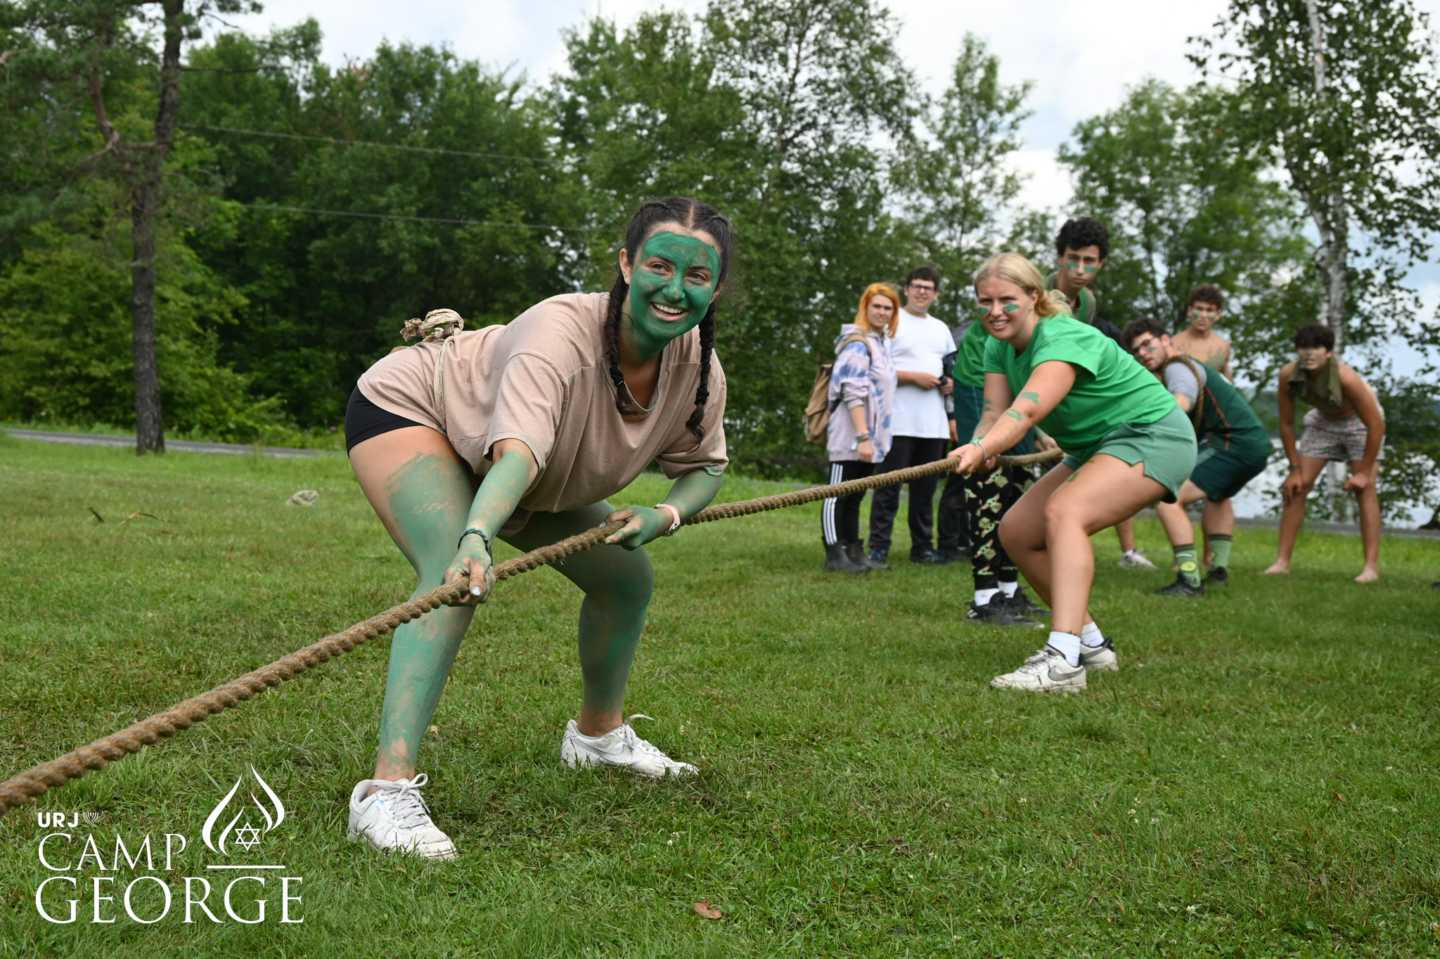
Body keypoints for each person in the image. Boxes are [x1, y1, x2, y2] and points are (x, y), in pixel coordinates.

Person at [342, 197, 732, 859]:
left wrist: (663, 514)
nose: (674, 288)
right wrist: (476, 539)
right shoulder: (560, 335)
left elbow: (706, 468)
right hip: (416, 409)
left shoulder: (697, 368)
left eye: (695, 276)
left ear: (714, 287)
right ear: (626, 263)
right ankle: (385, 791)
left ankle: (597, 736)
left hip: (522, 469)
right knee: (451, 571)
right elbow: (516, 453)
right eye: (660, 266)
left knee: (625, 577)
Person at [950, 252, 1196, 694]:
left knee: (1066, 512)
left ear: (1033, 297)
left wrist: (987, 444)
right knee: (1017, 532)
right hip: (1095, 447)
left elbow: (1028, 410)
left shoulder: (1061, 336)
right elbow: (994, 411)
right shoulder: (996, 344)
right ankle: (1092, 644)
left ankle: (1063, 661)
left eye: (1006, 300)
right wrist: (980, 445)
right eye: (983, 301)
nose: (993, 312)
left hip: (1152, 435)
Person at [1123, 318, 1271, 595]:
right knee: (1218, 496)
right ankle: (1218, 571)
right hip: (1254, 444)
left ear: (1166, 340)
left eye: (1147, 344)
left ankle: (1188, 580)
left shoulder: (1177, 367)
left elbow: (1182, 401)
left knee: (1168, 497)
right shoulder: (1184, 365)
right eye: (1137, 350)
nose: (1143, 353)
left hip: (1232, 444)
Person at [1048, 217, 1158, 572]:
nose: (1080, 269)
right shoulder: (1041, 300)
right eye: (1073, 258)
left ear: (1102, 264)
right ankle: (994, 591)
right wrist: (1038, 429)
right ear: (1059, 257)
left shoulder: (1088, 307)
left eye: (1089, 261)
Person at [950, 300, 1051, 626]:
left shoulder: (1038, 332)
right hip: (982, 394)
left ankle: (1008, 590)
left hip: (1016, 398)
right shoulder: (987, 340)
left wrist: (1039, 429)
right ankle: (984, 597)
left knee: (1016, 498)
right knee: (989, 499)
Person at [1264, 324, 1386, 583]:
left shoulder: (1346, 378)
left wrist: (1363, 472)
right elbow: (1286, 424)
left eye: (1316, 348)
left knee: (1366, 489)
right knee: (1297, 487)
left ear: (1328, 352)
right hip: (1323, 421)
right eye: (1304, 347)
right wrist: (1294, 469)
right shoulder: (1288, 374)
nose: (1309, 353)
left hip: (1360, 424)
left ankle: (1370, 569)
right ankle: (1281, 562)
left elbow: (1376, 424)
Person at [866, 266, 957, 568]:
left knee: (925, 491)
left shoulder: (942, 329)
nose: (921, 292)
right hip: (898, 420)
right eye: (916, 286)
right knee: (888, 487)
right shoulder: (892, 320)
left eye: (928, 288)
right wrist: (912, 377)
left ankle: (922, 547)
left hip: (933, 424)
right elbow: (877, 366)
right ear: (907, 289)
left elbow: (949, 367)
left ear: (936, 294)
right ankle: (878, 547)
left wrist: (948, 383)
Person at [821, 283, 899, 572]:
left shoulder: (881, 344)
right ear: (865, 308)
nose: (881, 312)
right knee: (836, 494)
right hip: (850, 435)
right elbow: (852, 392)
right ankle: (833, 553)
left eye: (887, 308)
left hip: (872, 438)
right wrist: (863, 436)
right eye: (876, 306)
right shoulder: (857, 343)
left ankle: (854, 551)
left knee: (855, 495)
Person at [1171, 283, 1234, 379]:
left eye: (1209, 310)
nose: (1203, 315)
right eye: (1199, 309)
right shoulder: (1174, 344)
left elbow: (1227, 384)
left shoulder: (1223, 347)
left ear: (1218, 314)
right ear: (1190, 311)